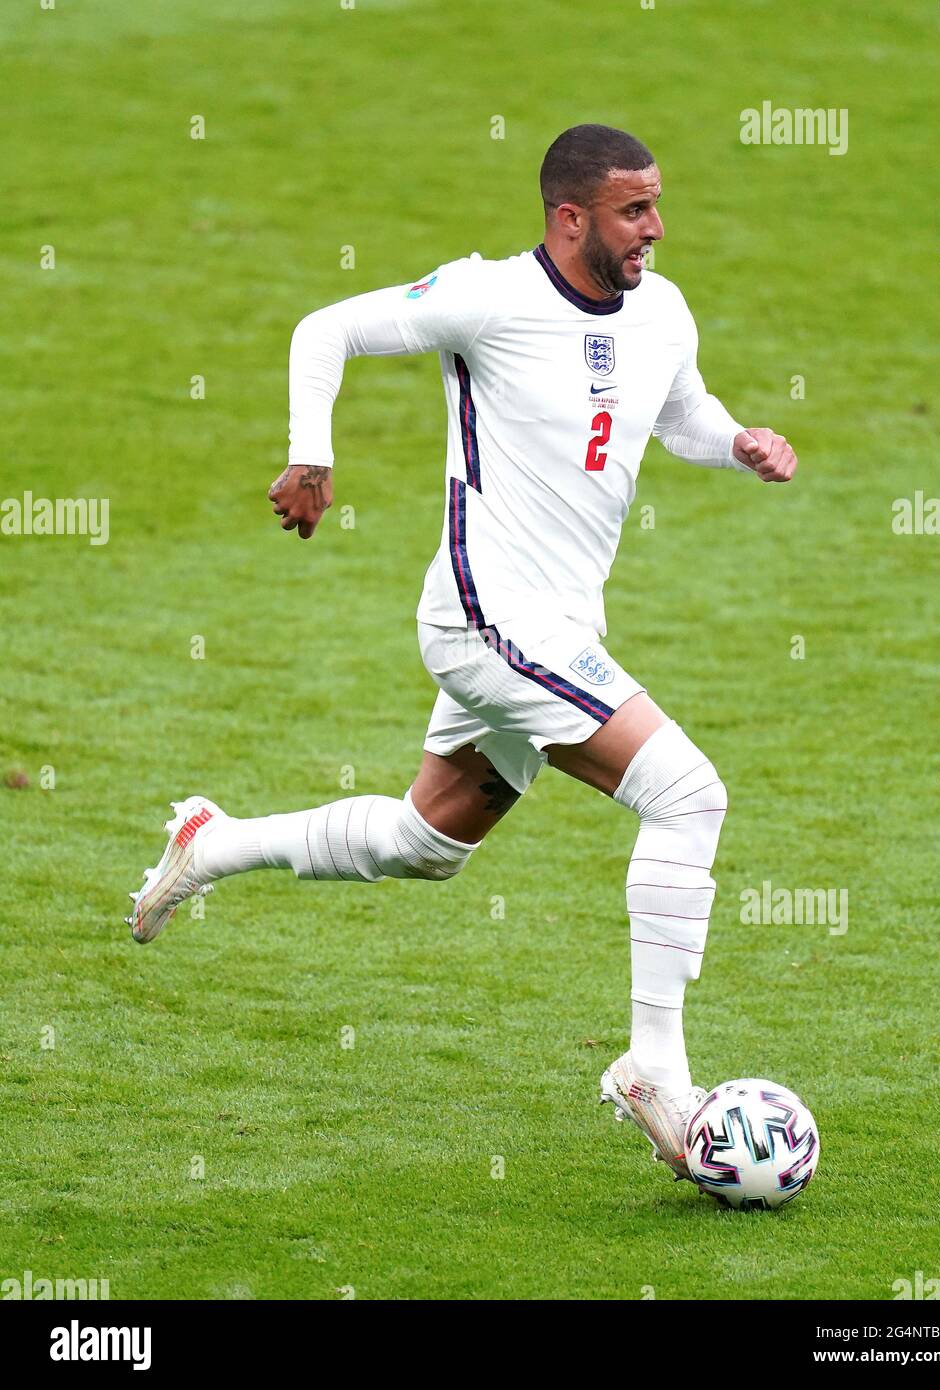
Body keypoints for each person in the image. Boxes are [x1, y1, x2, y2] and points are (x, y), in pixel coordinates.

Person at [126, 124, 797, 1183]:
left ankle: (212, 843)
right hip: (487, 621)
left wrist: (739, 442)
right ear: (569, 217)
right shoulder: (487, 299)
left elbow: (680, 415)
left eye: (656, 205)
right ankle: (654, 1070)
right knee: (687, 795)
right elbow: (326, 329)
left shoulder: (661, 310)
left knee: (427, 841)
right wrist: (311, 456)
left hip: (560, 628)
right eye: (633, 210)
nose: (655, 228)